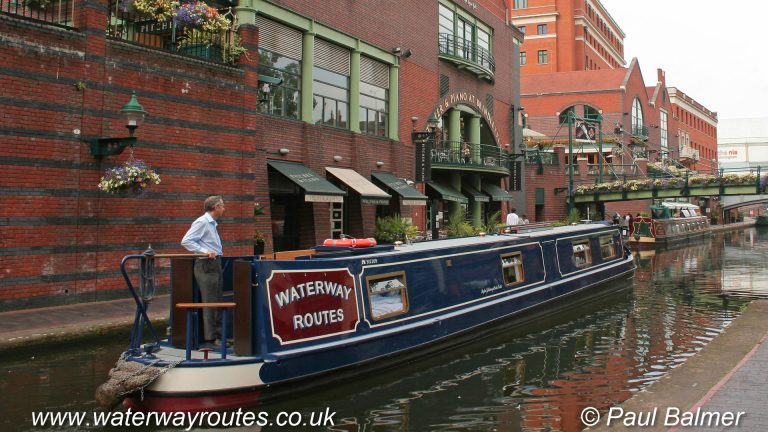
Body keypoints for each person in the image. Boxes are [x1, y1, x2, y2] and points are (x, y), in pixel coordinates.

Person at [181, 195, 226, 346]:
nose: (224, 209)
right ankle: (211, 338)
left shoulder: (212, 223)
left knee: (217, 299)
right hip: (206, 264)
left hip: (215, 263)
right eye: (222, 206)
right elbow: (186, 241)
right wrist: (204, 251)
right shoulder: (202, 222)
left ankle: (218, 335)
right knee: (211, 300)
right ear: (216, 207)